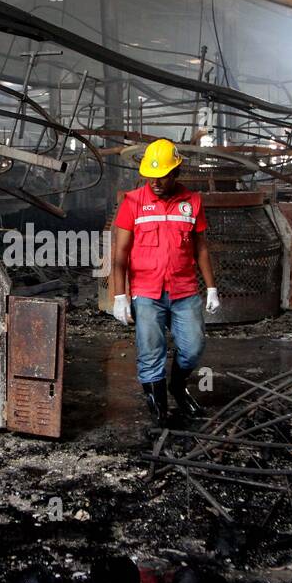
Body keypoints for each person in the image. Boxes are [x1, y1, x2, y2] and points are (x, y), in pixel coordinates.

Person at [109, 138, 220, 426]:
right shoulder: (133, 202)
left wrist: (211, 288)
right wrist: (120, 296)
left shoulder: (192, 202)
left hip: (184, 290)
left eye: (162, 177)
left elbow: (201, 248)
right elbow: (120, 254)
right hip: (146, 291)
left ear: (176, 173)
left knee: (193, 347)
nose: (155, 182)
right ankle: (157, 404)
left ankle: (177, 387)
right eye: (150, 177)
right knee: (151, 349)